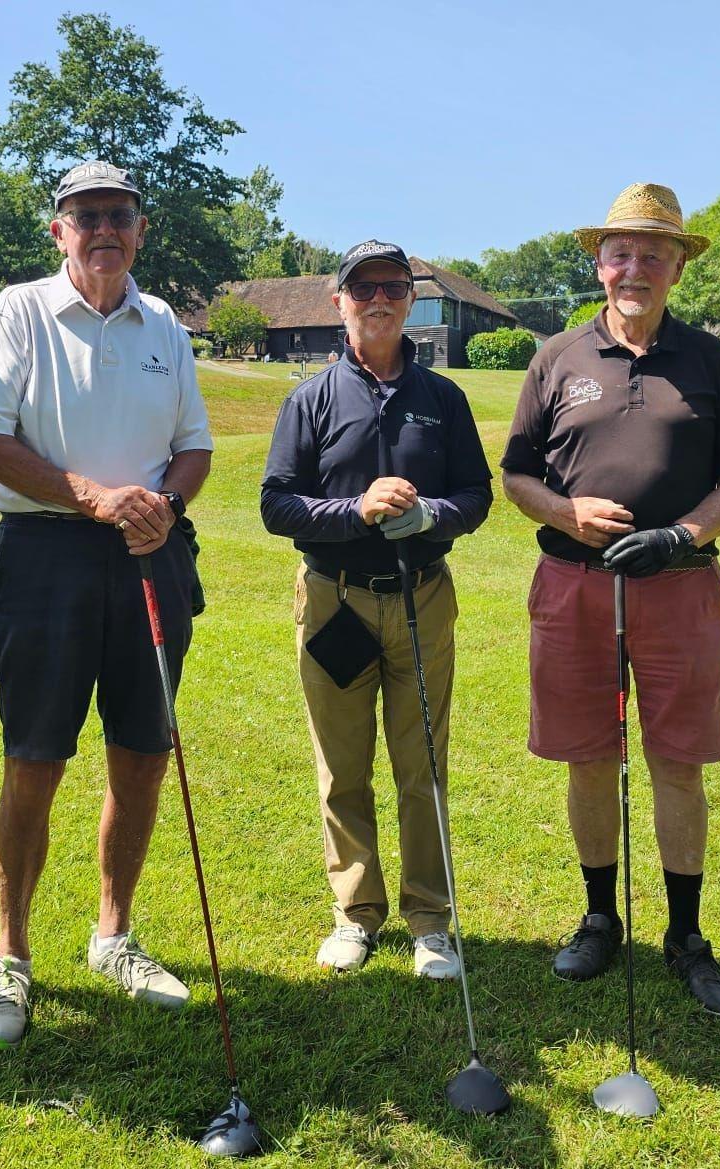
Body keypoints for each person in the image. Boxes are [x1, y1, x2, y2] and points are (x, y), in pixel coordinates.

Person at [0, 161, 213, 1048]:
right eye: (85, 215)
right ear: (57, 230)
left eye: (119, 215)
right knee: (36, 757)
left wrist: (162, 508)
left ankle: (114, 933)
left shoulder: (165, 326)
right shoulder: (20, 309)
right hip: (45, 555)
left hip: (149, 553)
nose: (103, 228)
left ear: (140, 229)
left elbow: (193, 447)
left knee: (142, 753)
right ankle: (10, 954)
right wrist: (90, 496)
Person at [500, 183, 720, 1016]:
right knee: (589, 754)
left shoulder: (708, 359)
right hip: (573, 586)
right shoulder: (556, 357)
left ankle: (685, 935)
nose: (635, 266)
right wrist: (564, 511)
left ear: (677, 266)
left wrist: (680, 534)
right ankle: (598, 916)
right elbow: (515, 474)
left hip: (679, 586)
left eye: (654, 252)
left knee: (676, 757)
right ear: (598, 262)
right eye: (621, 251)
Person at [260, 240, 492, 977]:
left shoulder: (443, 399)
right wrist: (351, 511)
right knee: (342, 767)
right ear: (339, 303)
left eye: (393, 286)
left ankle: (430, 919)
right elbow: (276, 503)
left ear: (410, 300)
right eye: (363, 289)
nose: (379, 299)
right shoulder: (309, 398)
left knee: (421, 763)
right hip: (333, 601)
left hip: (422, 596)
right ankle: (355, 912)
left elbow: (476, 497)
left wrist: (428, 515)